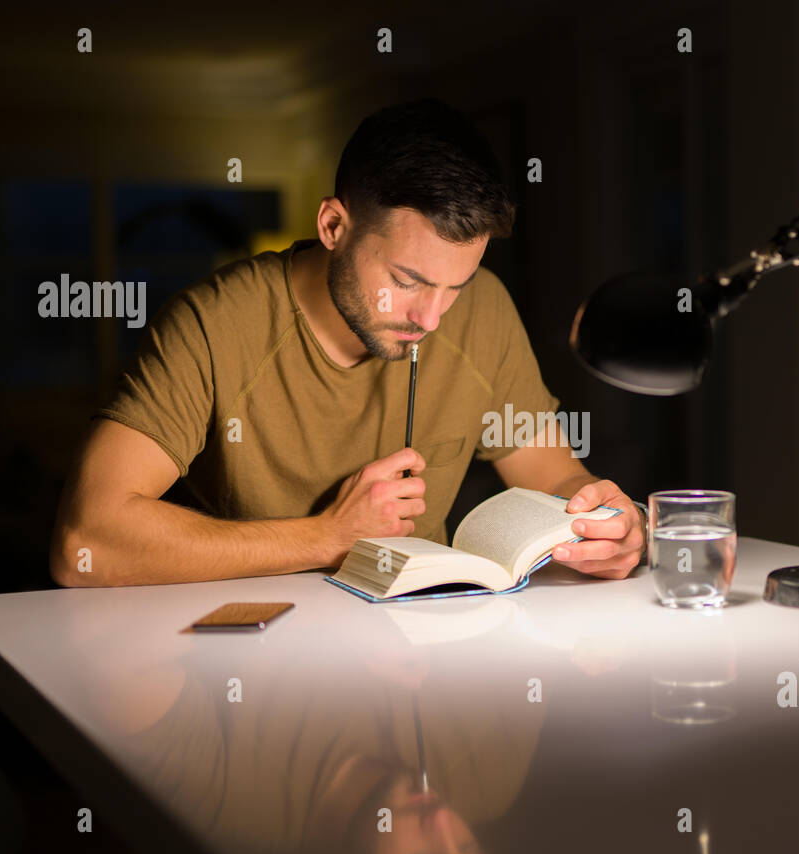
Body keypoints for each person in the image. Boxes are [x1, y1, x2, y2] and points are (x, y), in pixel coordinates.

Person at [50, 98, 644, 587]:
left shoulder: (483, 307)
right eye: (406, 281)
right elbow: (86, 541)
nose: (432, 318)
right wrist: (329, 535)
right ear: (334, 226)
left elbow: (553, 473)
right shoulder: (213, 323)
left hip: (430, 664)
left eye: (454, 286)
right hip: (253, 672)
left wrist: (604, 522)